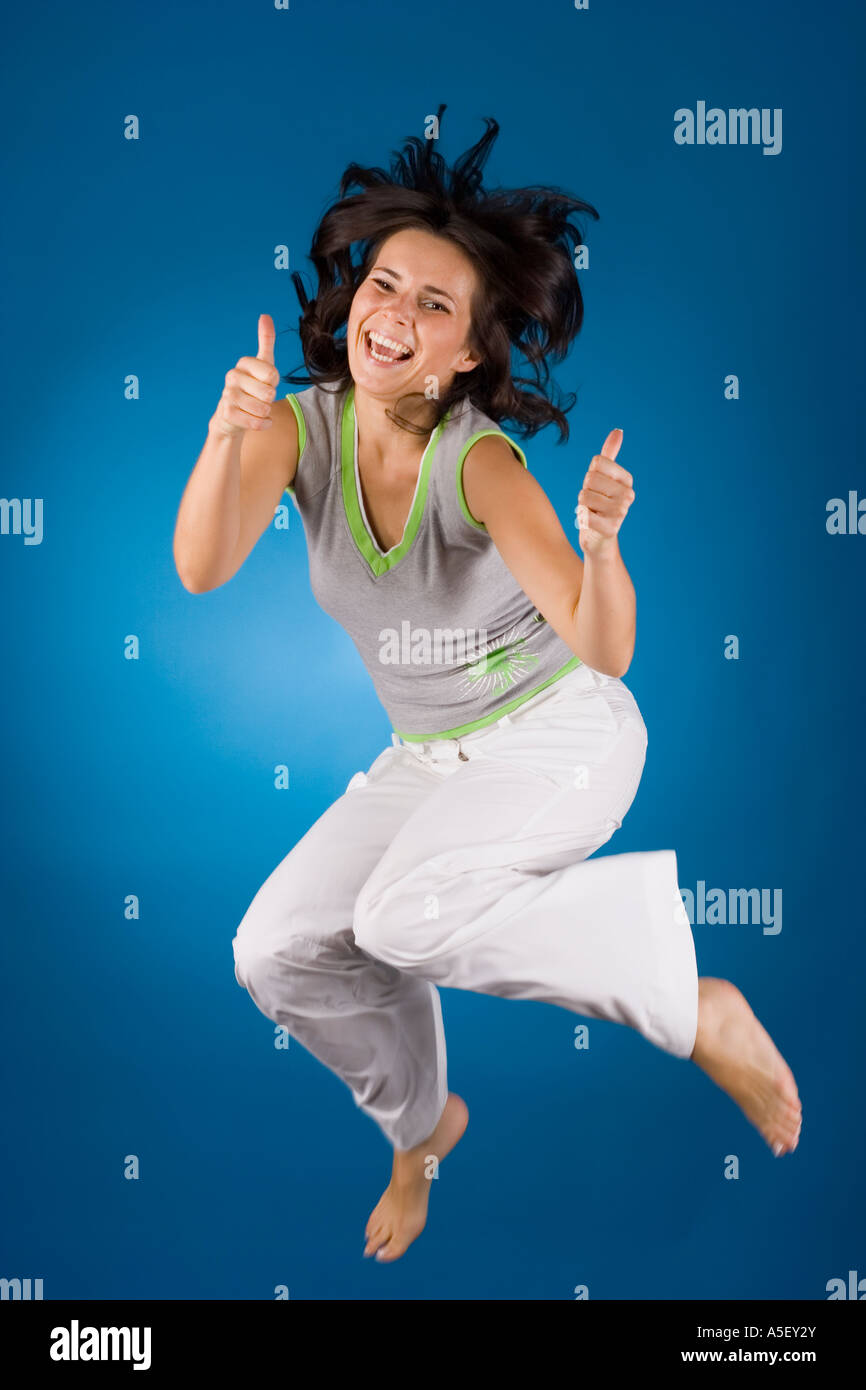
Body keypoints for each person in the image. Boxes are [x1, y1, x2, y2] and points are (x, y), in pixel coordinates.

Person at [173, 106, 801, 1264]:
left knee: (399, 918)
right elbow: (203, 567)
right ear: (350, 296)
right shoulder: (298, 425)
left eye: (434, 304)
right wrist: (224, 435)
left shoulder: (481, 463)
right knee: (273, 951)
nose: (393, 314)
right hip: (428, 757)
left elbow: (600, 646)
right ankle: (422, 1132)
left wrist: (602, 548)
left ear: (467, 350)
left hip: (559, 737)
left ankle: (687, 1003)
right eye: (385, 284)